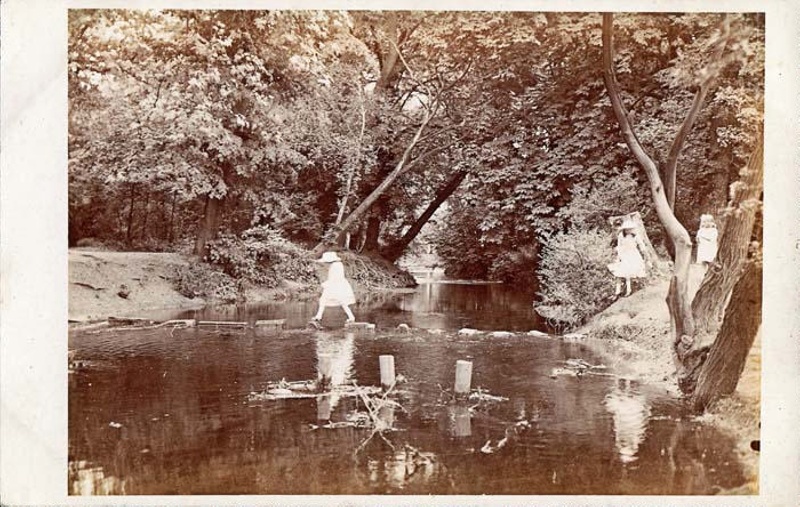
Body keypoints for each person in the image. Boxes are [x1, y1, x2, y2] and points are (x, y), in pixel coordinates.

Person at [309, 251, 356, 327]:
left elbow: (334, 278)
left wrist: (324, 284)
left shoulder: (335, 266)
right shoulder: (338, 264)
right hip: (338, 284)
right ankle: (351, 317)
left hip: (335, 285)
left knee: (324, 300)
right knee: (342, 302)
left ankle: (318, 317)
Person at [607, 219, 648, 297]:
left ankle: (632, 289)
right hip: (624, 255)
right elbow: (619, 246)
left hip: (633, 254)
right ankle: (618, 292)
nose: (629, 230)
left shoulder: (635, 236)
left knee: (632, 272)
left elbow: (641, 245)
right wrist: (619, 256)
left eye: (630, 229)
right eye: (627, 229)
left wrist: (644, 254)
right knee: (621, 272)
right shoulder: (621, 236)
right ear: (624, 229)